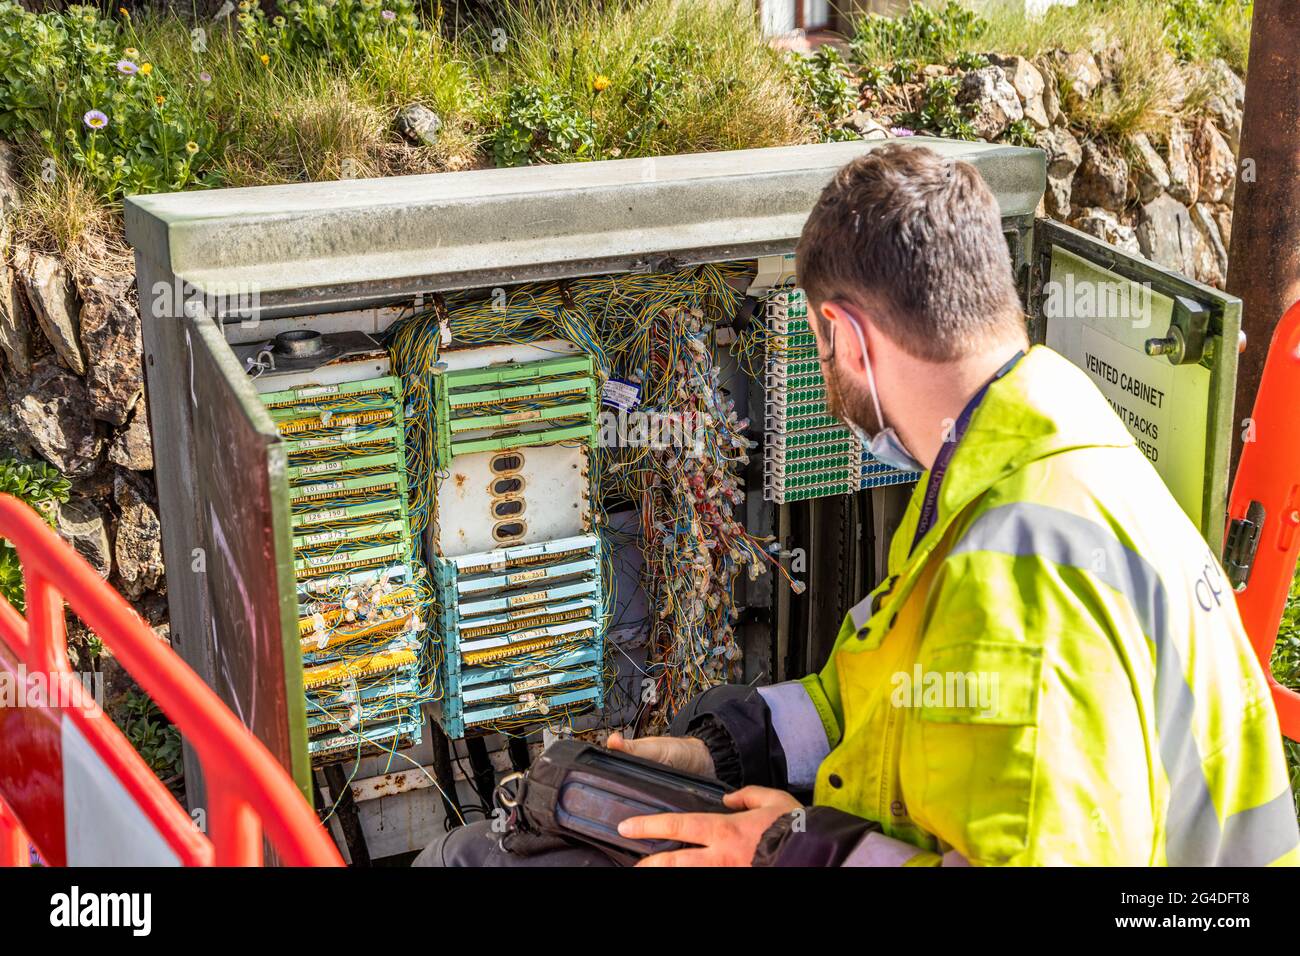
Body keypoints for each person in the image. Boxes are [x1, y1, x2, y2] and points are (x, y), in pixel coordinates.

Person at [415, 143, 1299, 868]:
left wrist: (781, 853)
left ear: (846, 335)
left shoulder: (1020, 570)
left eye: (821, 347)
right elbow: (881, 700)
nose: (831, 376)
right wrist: (721, 755)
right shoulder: (1018, 459)